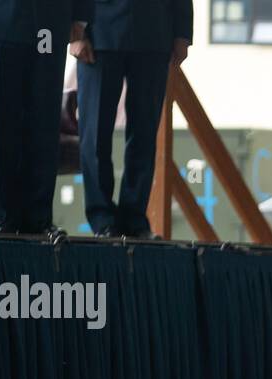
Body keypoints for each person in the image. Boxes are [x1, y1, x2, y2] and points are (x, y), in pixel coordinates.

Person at [0, 0, 94, 234]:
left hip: (50, 21)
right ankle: (4, 218)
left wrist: (80, 15)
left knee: (44, 122)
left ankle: (39, 219)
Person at [73, 0, 192, 238]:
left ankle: (135, 218)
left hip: (154, 32)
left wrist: (182, 32)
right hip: (98, 32)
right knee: (95, 135)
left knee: (145, 135)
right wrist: (75, 31)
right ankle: (102, 218)